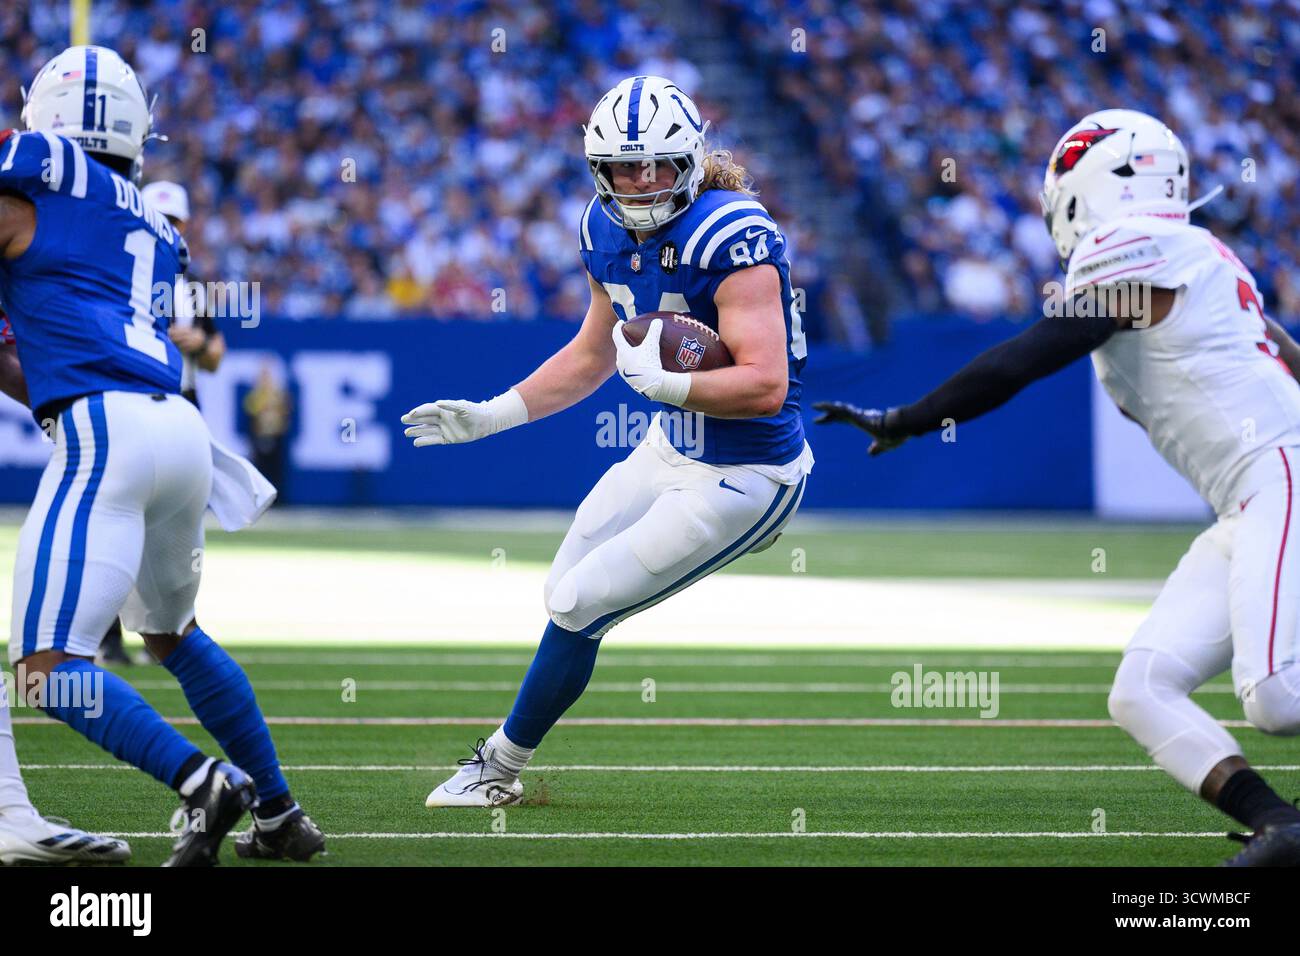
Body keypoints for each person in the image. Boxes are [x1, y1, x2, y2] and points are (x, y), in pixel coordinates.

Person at [815, 109, 1300, 866]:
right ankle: (1282, 825)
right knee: (1141, 688)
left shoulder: (1137, 249)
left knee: (1275, 694)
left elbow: (1027, 357)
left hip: (1280, 469)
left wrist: (910, 417)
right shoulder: (1201, 256)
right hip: (1251, 495)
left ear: (1090, 189)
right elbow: (1283, 352)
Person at [404, 76, 813, 806]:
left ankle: (494, 771)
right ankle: (502, 762)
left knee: (581, 604)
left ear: (688, 162)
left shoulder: (733, 234)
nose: (642, 181)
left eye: (656, 164)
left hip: (749, 470)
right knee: (562, 588)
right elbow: (593, 355)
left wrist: (674, 387)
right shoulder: (600, 228)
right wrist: (492, 415)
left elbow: (765, 384)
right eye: (626, 167)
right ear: (600, 170)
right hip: (671, 448)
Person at [0, 45, 323, 865]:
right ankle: (280, 816)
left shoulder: (35, 170)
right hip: (178, 430)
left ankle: (201, 783)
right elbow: (50, 354)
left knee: (41, 667)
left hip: (106, 434)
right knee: (172, 635)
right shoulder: (148, 216)